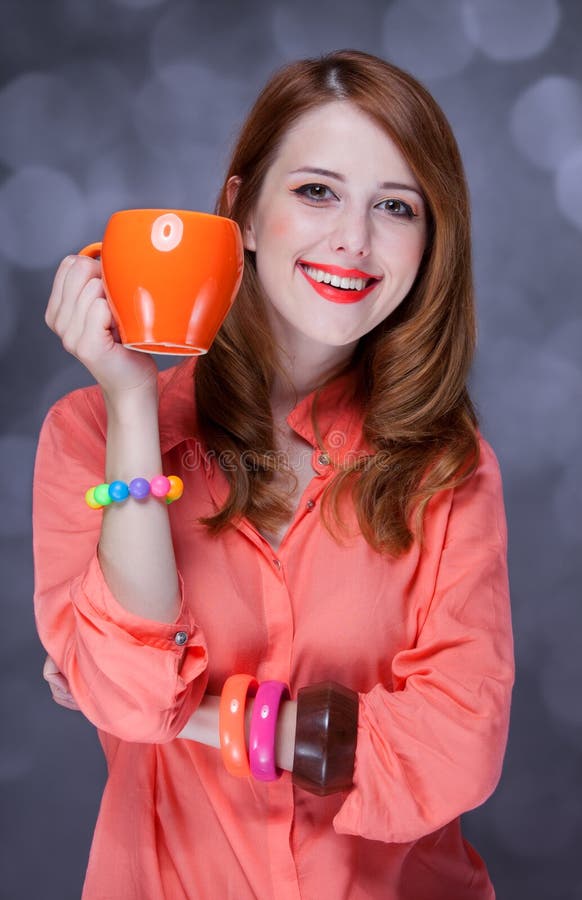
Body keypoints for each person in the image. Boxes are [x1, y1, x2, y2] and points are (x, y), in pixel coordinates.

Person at [33, 49, 515, 899]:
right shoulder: (90, 433)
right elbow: (129, 696)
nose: (353, 240)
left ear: (429, 242)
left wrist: (201, 714)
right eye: (317, 191)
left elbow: (457, 748)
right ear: (242, 213)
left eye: (395, 206)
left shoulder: (452, 467)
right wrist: (134, 403)